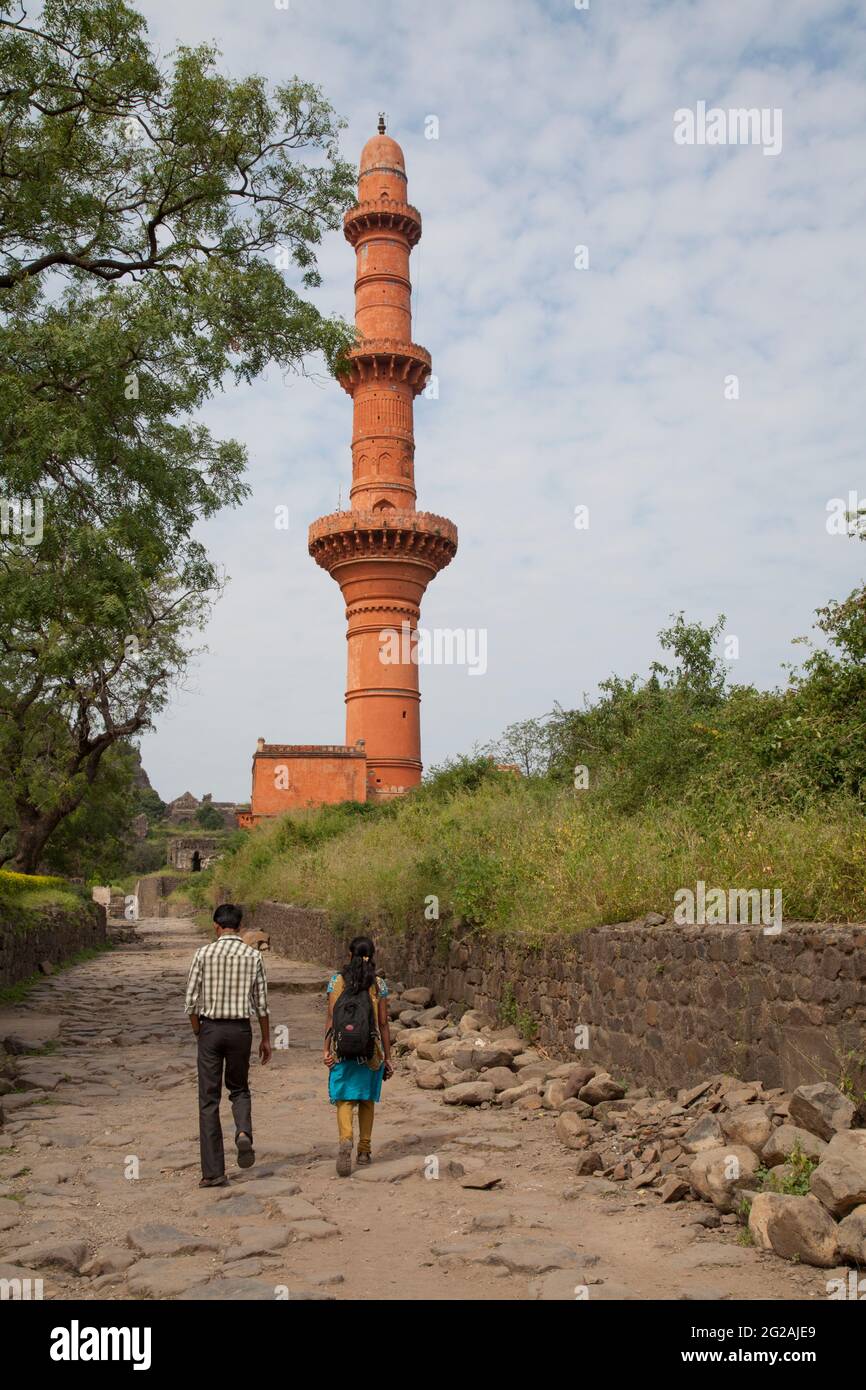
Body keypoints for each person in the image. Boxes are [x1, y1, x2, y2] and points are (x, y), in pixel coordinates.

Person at [184, 903, 271, 1188]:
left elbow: (191, 1001)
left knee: (208, 1099)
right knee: (239, 1088)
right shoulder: (252, 956)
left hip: (210, 1029)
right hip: (240, 1031)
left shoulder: (203, 954)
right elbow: (262, 1004)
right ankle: (243, 1131)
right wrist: (266, 1039)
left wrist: (199, 1031)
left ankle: (213, 1172)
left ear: (216, 925)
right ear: (240, 926)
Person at [323, 935, 393, 1176]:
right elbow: (383, 1023)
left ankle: (346, 1138)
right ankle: (364, 1150)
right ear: (372, 956)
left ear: (349, 955)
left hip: (342, 1050)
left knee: (344, 1098)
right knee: (366, 1100)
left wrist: (326, 1050)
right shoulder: (379, 985)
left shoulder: (336, 982)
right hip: (370, 1051)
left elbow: (332, 1020)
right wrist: (388, 1056)